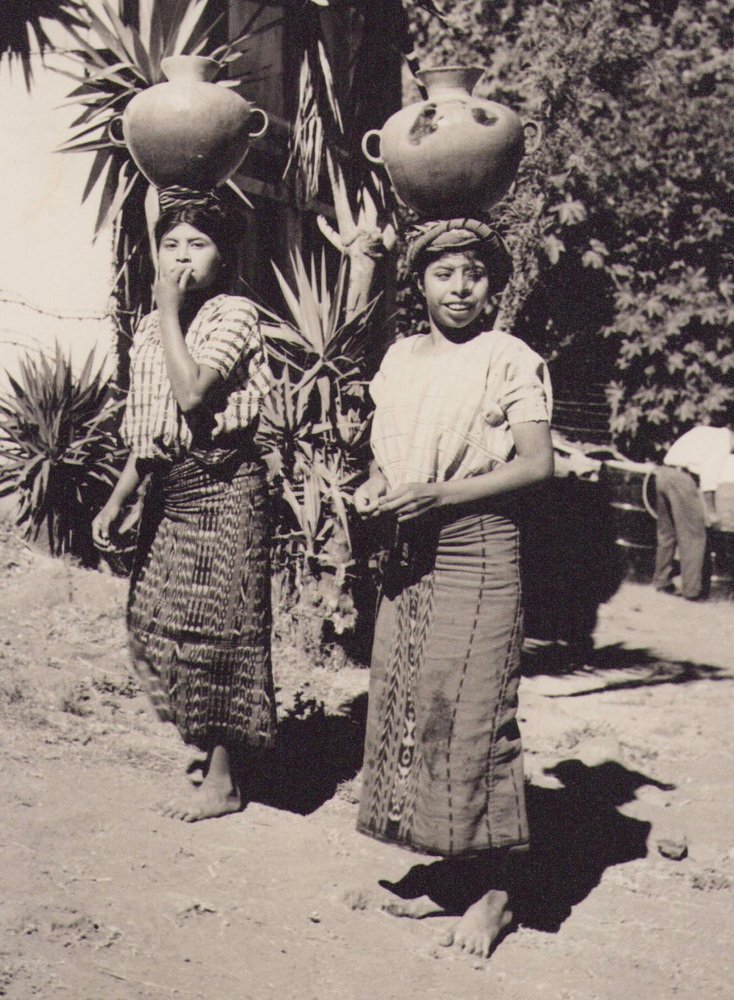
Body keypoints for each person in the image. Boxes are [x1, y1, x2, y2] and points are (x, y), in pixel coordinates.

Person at [353, 218, 554, 958]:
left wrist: (442, 495)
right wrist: (379, 489)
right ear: (421, 284)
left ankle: (499, 895)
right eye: (444, 274)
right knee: (420, 712)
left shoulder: (509, 358)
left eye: (473, 273)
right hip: (411, 549)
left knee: (476, 719)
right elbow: (391, 457)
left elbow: (537, 464)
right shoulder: (401, 359)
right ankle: (453, 876)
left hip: (478, 547)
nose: (460, 288)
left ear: (491, 283)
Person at [92, 196, 276, 821]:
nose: (181, 257)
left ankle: (224, 778)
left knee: (219, 635)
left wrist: (169, 310)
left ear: (223, 258)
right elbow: (152, 424)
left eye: (197, 245)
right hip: (170, 487)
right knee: (151, 627)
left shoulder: (235, 315)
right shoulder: (148, 328)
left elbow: (192, 391)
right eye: (171, 245)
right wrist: (121, 497)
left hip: (226, 485)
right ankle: (203, 741)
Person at [653, 424, 734, 600]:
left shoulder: (705, 431)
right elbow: (709, 479)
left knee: (667, 533)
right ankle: (692, 591)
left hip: (663, 473)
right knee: (695, 536)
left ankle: (662, 581)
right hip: (682, 479)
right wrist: (711, 512)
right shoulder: (722, 442)